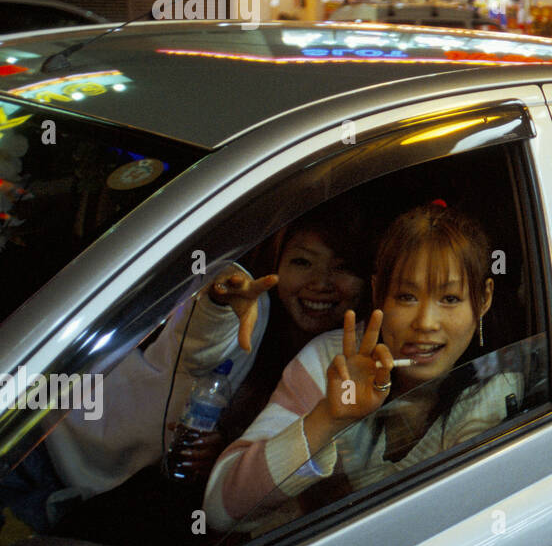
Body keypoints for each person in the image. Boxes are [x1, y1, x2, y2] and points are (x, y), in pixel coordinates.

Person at [32, 205, 373, 529]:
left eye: (342, 267)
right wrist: (219, 301)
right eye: (302, 262)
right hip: (51, 445)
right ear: (276, 267)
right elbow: (200, 347)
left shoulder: (363, 362)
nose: (321, 282)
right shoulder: (253, 316)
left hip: (109, 492)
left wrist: (222, 450)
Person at [204, 201, 521, 532]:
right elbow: (220, 508)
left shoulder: (497, 382)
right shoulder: (333, 360)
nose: (426, 323)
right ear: (378, 292)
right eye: (406, 297)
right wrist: (326, 419)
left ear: (483, 299)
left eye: (450, 299)